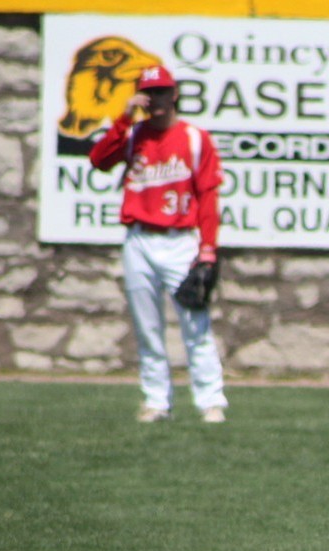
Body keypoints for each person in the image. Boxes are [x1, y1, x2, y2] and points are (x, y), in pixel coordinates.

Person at [89, 64, 228, 424]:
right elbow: (99, 160)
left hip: (181, 240)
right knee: (147, 328)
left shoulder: (195, 138)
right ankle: (156, 401)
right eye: (149, 93)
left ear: (175, 93)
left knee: (195, 324)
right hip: (139, 240)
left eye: (162, 91)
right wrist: (123, 117)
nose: (156, 100)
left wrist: (208, 248)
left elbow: (208, 196)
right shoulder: (133, 135)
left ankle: (211, 402)